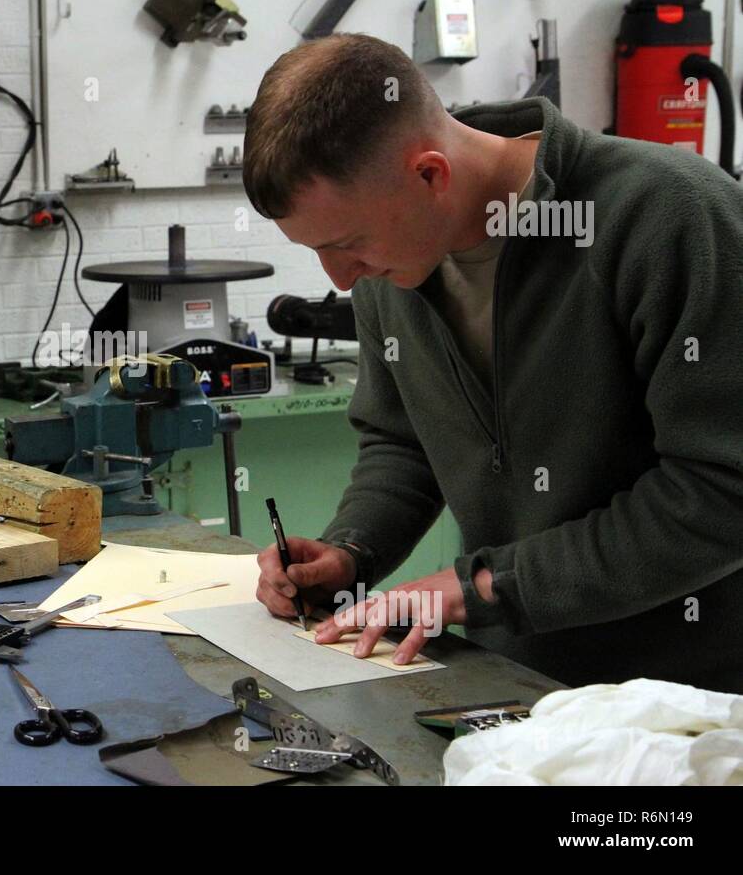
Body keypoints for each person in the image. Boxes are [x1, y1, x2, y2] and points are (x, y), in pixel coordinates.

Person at [243, 34, 743, 692]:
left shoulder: (667, 215)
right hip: (511, 684)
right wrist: (350, 550)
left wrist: (483, 587)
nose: (339, 279)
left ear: (429, 174)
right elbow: (404, 442)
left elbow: (721, 491)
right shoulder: (392, 267)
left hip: (690, 703)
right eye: (317, 252)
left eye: (349, 244)